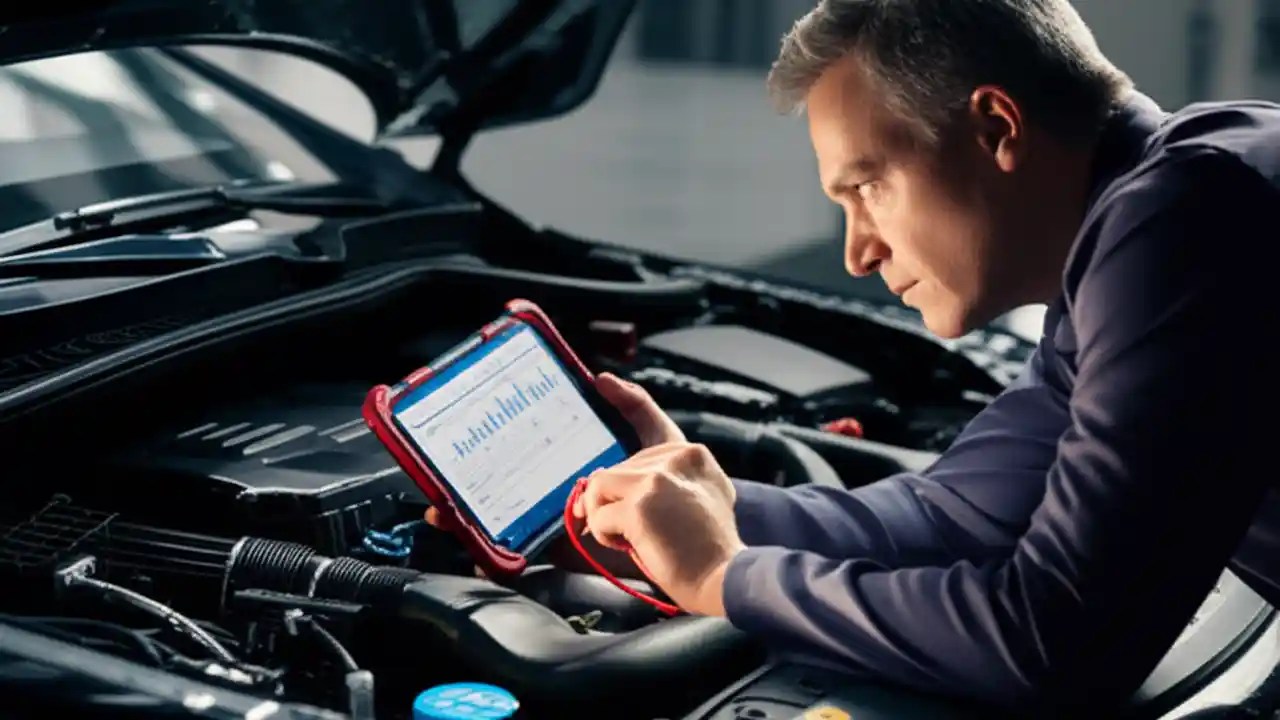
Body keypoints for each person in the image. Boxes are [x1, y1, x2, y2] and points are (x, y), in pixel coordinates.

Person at [439, 0, 1280, 713]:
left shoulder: (1191, 221)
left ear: (996, 128)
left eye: (867, 186)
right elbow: (954, 518)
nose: (857, 253)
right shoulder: (1165, 199)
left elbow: (1048, 642)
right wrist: (685, 505)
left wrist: (724, 576)